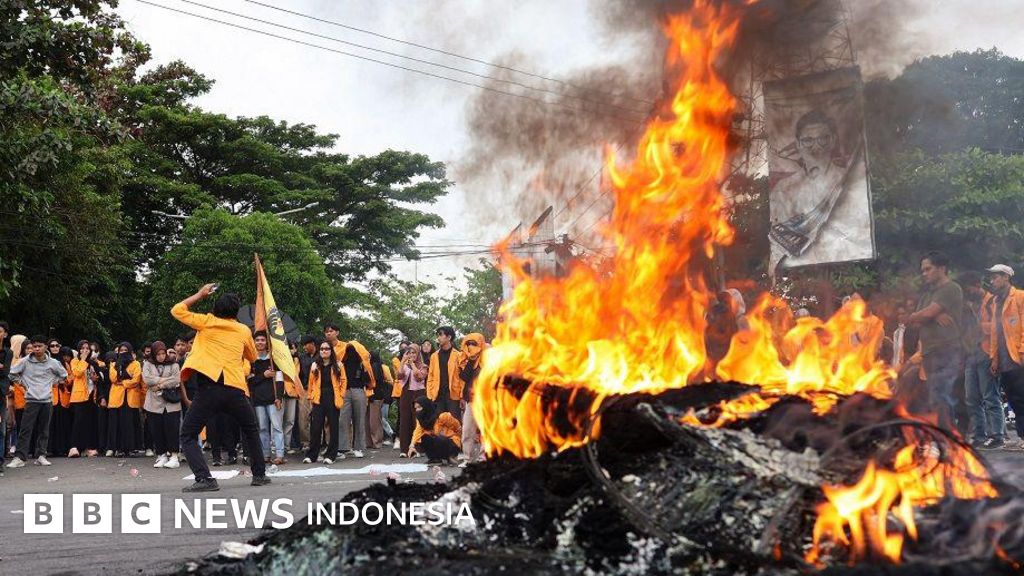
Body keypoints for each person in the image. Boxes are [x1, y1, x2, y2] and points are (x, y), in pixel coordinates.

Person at [173, 283, 269, 492]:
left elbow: (177, 310)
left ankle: (205, 479)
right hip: (235, 388)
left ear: (216, 308)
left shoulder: (206, 322)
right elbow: (252, 356)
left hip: (209, 388)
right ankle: (259, 475)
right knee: (251, 430)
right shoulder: (243, 330)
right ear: (236, 312)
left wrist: (199, 293)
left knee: (188, 434)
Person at [907, 251, 964, 429]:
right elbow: (914, 321)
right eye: (922, 270)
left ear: (942, 268)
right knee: (936, 396)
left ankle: (946, 439)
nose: (924, 273)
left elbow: (926, 314)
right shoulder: (927, 294)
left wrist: (928, 314)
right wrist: (927, 315)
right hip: (929, 351)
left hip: (946, 349)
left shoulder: (951, 288)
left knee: (942, 395)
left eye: (928, 269)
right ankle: (946, 438)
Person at [6, 335, 67, 468]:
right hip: (31, 399)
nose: (37, 348)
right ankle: (20, 457)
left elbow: (64, 375)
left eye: (40, 346)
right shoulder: (24, 361)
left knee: (44, 429)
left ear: (45, 347)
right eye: (34, 346)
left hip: (47, 400)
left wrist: (52, 382)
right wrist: (24, 384)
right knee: (25, 429)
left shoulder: (53, 363)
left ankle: (41, 455)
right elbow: (11, 374)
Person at [961, 272, 1006, 449]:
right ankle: (979, 435)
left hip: (987, 353)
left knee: (990, 396)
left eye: (970, 289)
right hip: (971, 354)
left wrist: (979, 327)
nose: (968, 292)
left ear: (977, 284)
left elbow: (999, 326)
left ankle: (997, 436)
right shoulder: (970, 305)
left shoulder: (992, 302)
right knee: (971, 397)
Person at [985, 264, 1024, 450]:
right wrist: (994, 357)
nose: (992, 281)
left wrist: (1023, 350)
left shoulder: (1020, 297)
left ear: (1006, 277)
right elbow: (994, 332)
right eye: (991, 278)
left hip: (1018, 357)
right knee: (1014, 399)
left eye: (995, 277)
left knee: (1021, 396)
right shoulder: (995, 301)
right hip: (1004, 359)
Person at [142, 341, 182, 469]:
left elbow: (176, 379)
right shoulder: (148, 364)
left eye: (163, 353)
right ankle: (162, 455)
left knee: (172, 429)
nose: (161, 356)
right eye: (158, 354)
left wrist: (159, 384)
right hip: (153, 403)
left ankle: (174, 456)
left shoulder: (174, 364)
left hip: (171, 403)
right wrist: (166, 380)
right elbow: (147, 379)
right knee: (157, 429)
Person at [304, 341, 345, 464]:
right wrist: (311, 396)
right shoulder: (315, 365)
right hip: (318, 398)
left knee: (333, 427)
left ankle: (331, 455)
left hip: (333, 397)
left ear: (331, 351)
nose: (324, 351)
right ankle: (312, 455)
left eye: (327, 349)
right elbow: (311, 383)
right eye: (321, 349)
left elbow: (343, 381)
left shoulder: (338, 365)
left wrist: (341, 396)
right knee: (316, 428)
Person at [249, 331, 286, 465]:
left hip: (273, 399)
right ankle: (265, 455)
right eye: (257, 340)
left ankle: (280, 455)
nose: (260, 342)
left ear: (267, 342)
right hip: (258, 400)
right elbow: (249, 382)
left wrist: (279, 397)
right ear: (254, 342)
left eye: (262, 340)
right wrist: (263, 375)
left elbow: (280, 380)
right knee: (263, 428)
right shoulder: (251, 361)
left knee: (277, 427)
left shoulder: (274, 359)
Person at [337, 340, 375, 458]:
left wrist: (364, 369)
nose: (351, 352)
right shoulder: (341, 363)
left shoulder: (362, 363)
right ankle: (343, 448)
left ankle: (358, 447)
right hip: (346, 392)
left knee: (359, 420)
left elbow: (368, 380)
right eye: (348, 349)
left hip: (358, 390)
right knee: (343, 420)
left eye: (353, 349)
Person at [107, 342, 142, 457]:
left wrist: (123, 382)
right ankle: (118, 449)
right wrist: (121, 369)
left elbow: (136, 379)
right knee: (118, 424)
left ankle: (132, 448)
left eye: (125, 350)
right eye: (121, 350)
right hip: (117, 397)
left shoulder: (136, 363)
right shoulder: (113, 364)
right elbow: (113, 378)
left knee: (130, 423)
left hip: (130, 397)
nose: (123, 352)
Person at [68, 340, 101, 458]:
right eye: (82, 348)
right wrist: (83, 359)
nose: (85, 350)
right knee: (78, 422)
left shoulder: (92, 363)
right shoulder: (75, 361)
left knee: (90, 422)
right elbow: (77, 373)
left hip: (92, 395)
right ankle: (74, 447)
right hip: (79, 396)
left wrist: (95, 378)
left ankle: (89, 448)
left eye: (87, 348)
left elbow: (96, 378)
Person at [457, 333, 486, 466]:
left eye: (473, 344)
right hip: (471, 400)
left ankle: (484, 456)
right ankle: (467, 458)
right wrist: (469, 360)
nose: (470, 347)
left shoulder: (488, 358)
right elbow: (464, 377)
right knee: (467, 429)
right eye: (468, 344)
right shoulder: (467, 360)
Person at [409, 396, 461, 465]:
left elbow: (457, 426)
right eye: (416, 408)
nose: (417, 410)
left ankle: (452, 456)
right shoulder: (421, 420)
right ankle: (435, 459)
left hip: (451, 443)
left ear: (426, 406)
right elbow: (417, 432)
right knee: (424, 438)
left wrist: (460, 438)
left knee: (439, 437)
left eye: (419, 407)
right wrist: (412, 446)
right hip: (438, 442)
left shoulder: (442, 416)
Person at [397, 343, 428, 456]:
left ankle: (419, 448)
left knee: (418, 420)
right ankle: (404, 449)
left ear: (418, 353)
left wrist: (413, 365)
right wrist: (403, 361)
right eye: (409, 353)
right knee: (405, 420)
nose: (411, 355)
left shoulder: (423, 366)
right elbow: (399, 376)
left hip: (419, 394)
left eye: (414, 352)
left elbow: (419, 377)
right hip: (406, 394)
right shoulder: (405, 366)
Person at [426, 326, 463, 420]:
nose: (438, 338)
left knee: (455, 424)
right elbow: (430, 376)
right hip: (438, 396)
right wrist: (430, 394)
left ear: (449, 337)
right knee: (439, 425)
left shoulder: (458, 355)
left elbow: (462, 378)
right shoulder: (434, 356)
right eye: (438, 335)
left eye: (441, 335)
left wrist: (462, 396)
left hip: (453, 395)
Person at [48, 345, 74, 458]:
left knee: (63, 424)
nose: (55, 348)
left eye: (57, 346)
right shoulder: (46, 363)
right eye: (52, 346)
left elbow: (71, 378)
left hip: (63, 397)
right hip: (50, 397)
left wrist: (64, 381)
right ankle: (49, 449)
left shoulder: (65, 364)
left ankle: (62, 448)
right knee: (50, 425)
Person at [366, 351, 394, 449]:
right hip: (378, 396)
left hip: (374, 396)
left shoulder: (374, 366)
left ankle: (375, 442)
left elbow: (373, 382)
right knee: (376, 419)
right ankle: (374, 442)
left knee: (374, 421)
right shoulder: (380, 366)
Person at [295, 335, 318, 452]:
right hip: (305, 390)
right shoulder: (301, 357)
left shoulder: (321, 356)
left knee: (319, 419)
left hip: (319, 391)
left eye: (305, 345)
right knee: (303, 419)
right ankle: (306, 443)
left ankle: (320, 443)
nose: (304, 347)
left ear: (312, 344)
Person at [0, 322, 11, 474]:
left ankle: (0, 462)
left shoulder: (8, 353)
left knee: (1, 431)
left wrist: (2, 368)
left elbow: (5, 373)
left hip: (1, 394)